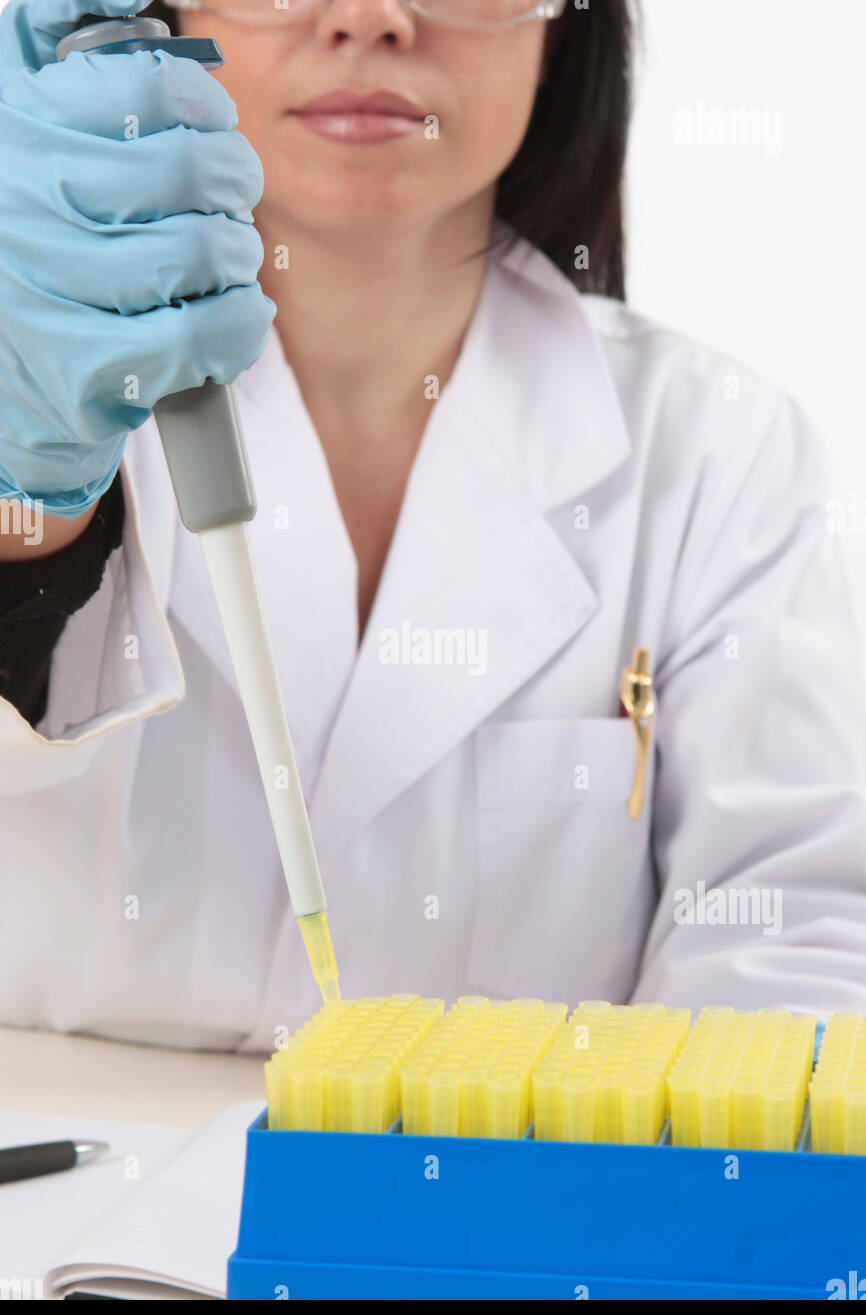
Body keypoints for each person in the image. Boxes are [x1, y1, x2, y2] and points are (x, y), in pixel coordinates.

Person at [1, 0, 864, 1055]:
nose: (367, 19)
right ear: (153, 18)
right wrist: (26, 518)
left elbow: (791, 946)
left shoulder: (715, 454)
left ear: (565, 31)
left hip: (515, 1215)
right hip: (56, 1201)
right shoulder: (31, 387)